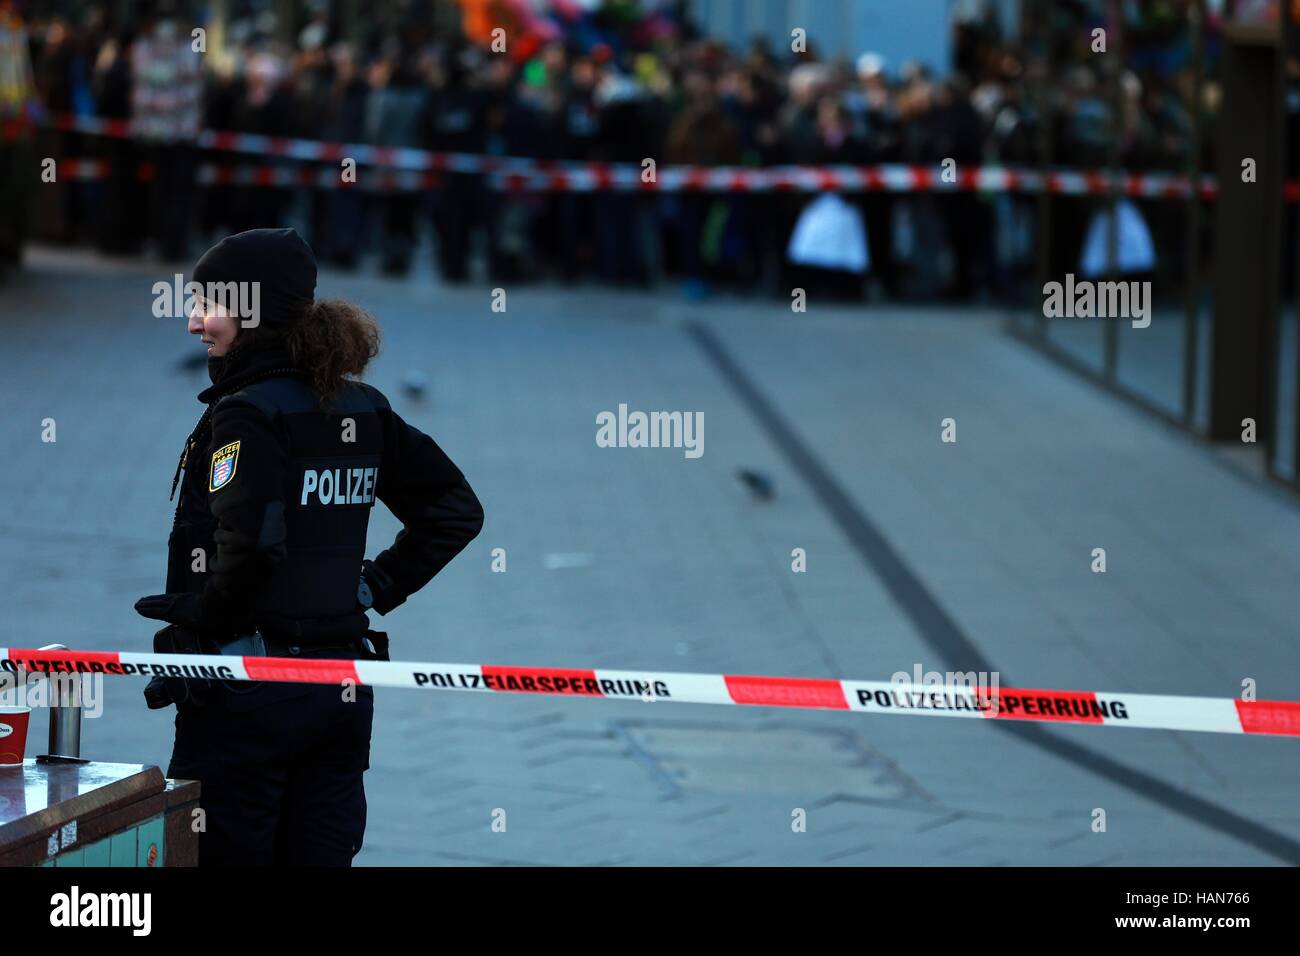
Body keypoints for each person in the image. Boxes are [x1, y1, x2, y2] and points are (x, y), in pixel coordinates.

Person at [134, 228, 484, 866]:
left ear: (252, 312)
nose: (193, 324)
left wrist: (202, 618)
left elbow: (253, 546)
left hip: (250, 695)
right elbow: (454, 511)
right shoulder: (364, 406)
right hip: (340, 693)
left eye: (208, 305)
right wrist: (370, 588)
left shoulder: (247, 413)